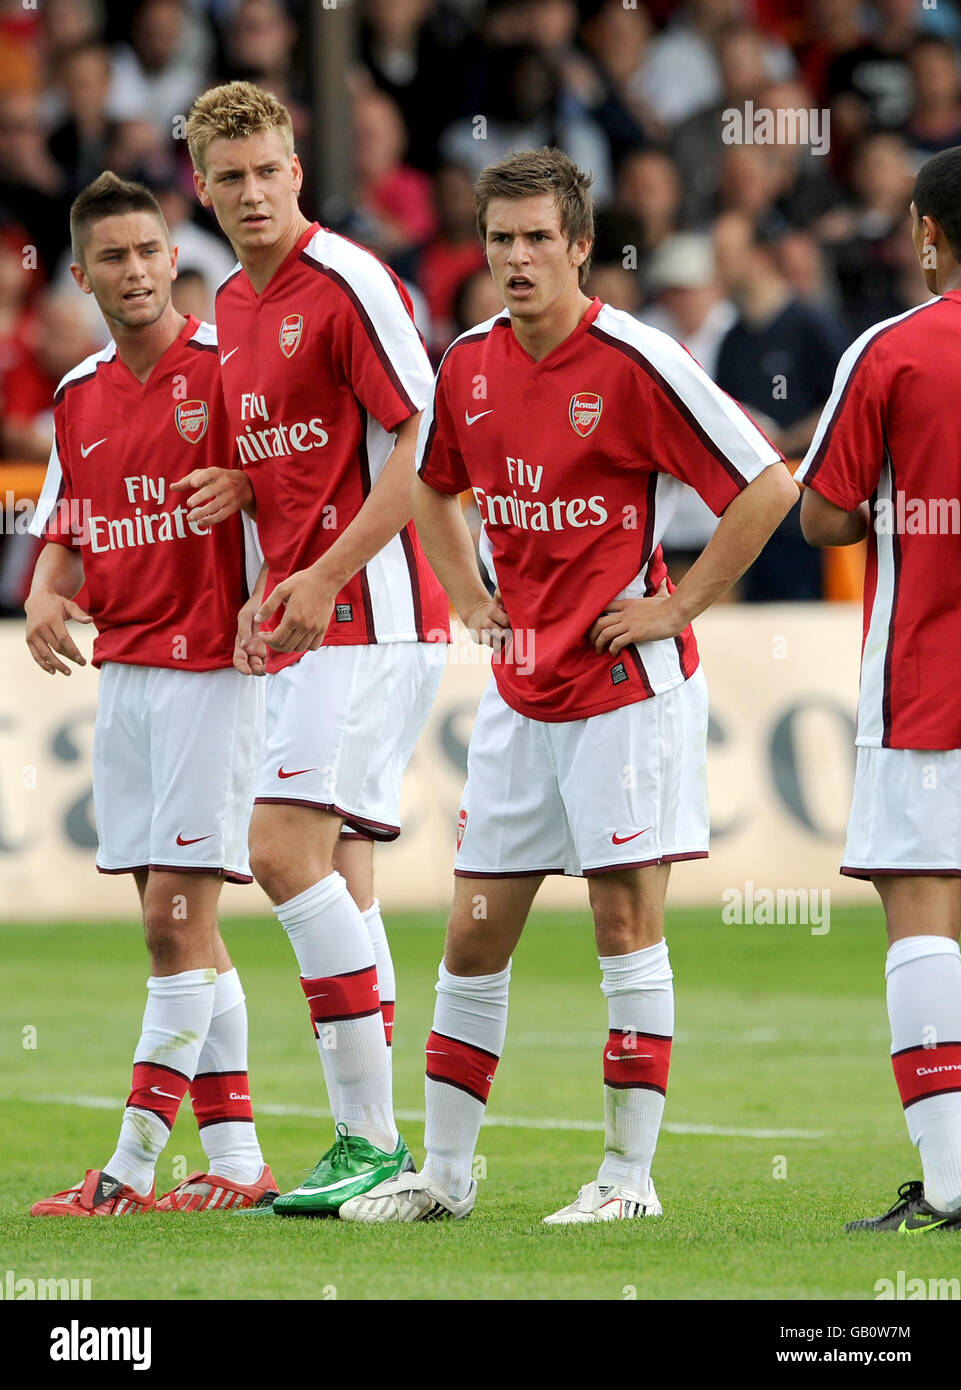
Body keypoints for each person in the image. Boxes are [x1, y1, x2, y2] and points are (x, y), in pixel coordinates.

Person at [338, 147, 798, 1226]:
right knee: (472, 932)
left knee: (623, 921)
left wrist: (678, 605)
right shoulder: (468, 364)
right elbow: (433, 487)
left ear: (582, 246)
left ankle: (627, 1179)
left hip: (626, 693)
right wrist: (471, 599)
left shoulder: (636, 360)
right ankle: (445, 1176)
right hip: (521, 689)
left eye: (538, 237)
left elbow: (767, 483)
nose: (516, 257)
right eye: (499, 238)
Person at [184, 81, 450, 1215]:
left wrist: (327, 574)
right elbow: (304, 465)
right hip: (309, 619)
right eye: (228, 176)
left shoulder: (348, 280)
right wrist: (258, 551)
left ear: (297, 170)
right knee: (339, 871)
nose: (251, 193)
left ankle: (371, 1138)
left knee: (278, 850)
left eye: (267, 170)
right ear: (201, 186)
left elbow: (424, 438)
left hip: (375, 609)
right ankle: (383, 1145)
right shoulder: (234, 310)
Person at [25, 171, 275, 1216]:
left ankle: (128, 1170)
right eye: (112, 258)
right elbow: (66, 523)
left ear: (177, 258)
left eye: (149, 252)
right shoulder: (77, 392)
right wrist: (46, 588)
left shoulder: (231, 371)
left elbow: (315, 478)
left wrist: (250, 485)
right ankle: (237, 1159)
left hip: (214, 669)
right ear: (81, 274)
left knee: (178, 925)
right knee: (177, 931)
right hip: (125, 673)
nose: (135, 272)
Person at [797, 145, 961, 1233]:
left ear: (925, 234)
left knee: (921, 919)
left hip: (924, 687)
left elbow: (821, 514)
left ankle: (950, 1180)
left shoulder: (891, 351)